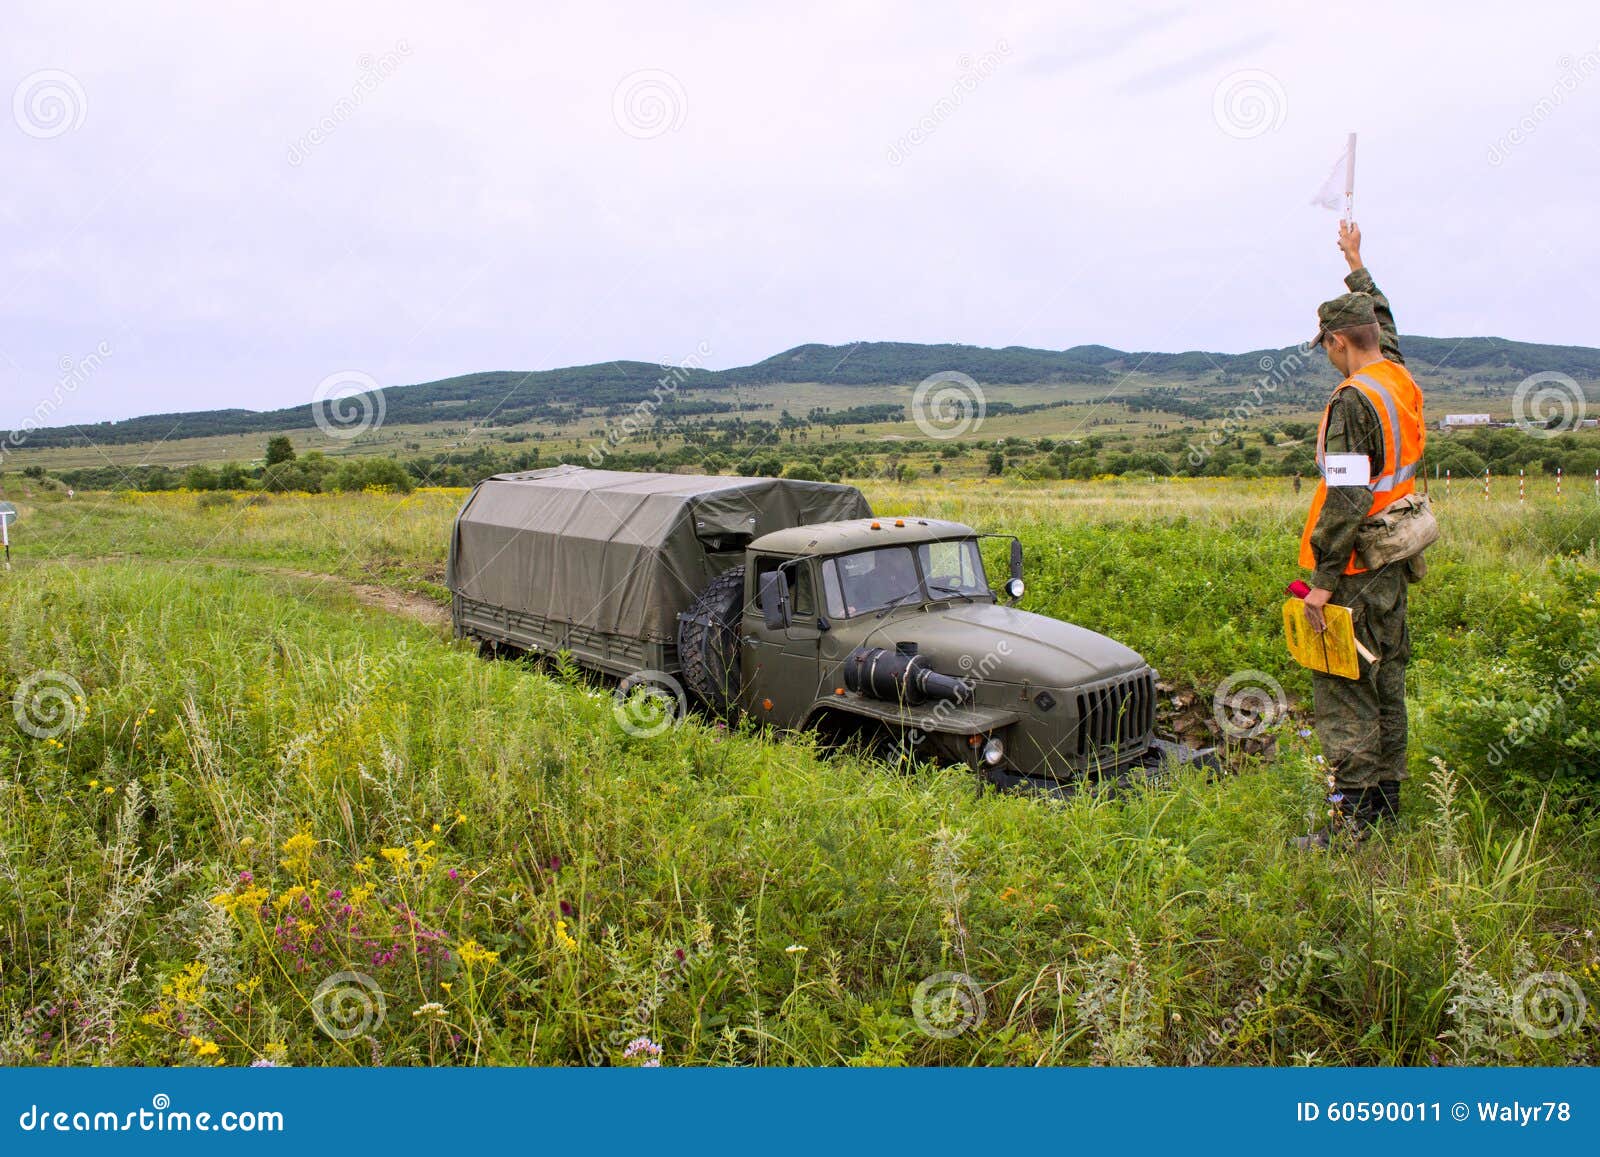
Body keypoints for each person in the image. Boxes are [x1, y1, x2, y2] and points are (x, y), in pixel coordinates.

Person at [1294, 221, 1427, 849]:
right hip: (1393, 559)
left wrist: (1320, 586)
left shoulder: (1353, 400)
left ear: (1342, 340)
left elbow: (1346, 496)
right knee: (1387, 680)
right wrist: (1356, 264)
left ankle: (1353, 823)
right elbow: (1387, 324)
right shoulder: (1395, 377)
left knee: (1345, 688)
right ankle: (1388, 805)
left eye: (1327, 343)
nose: (1327, 352)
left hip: (1350, 571)